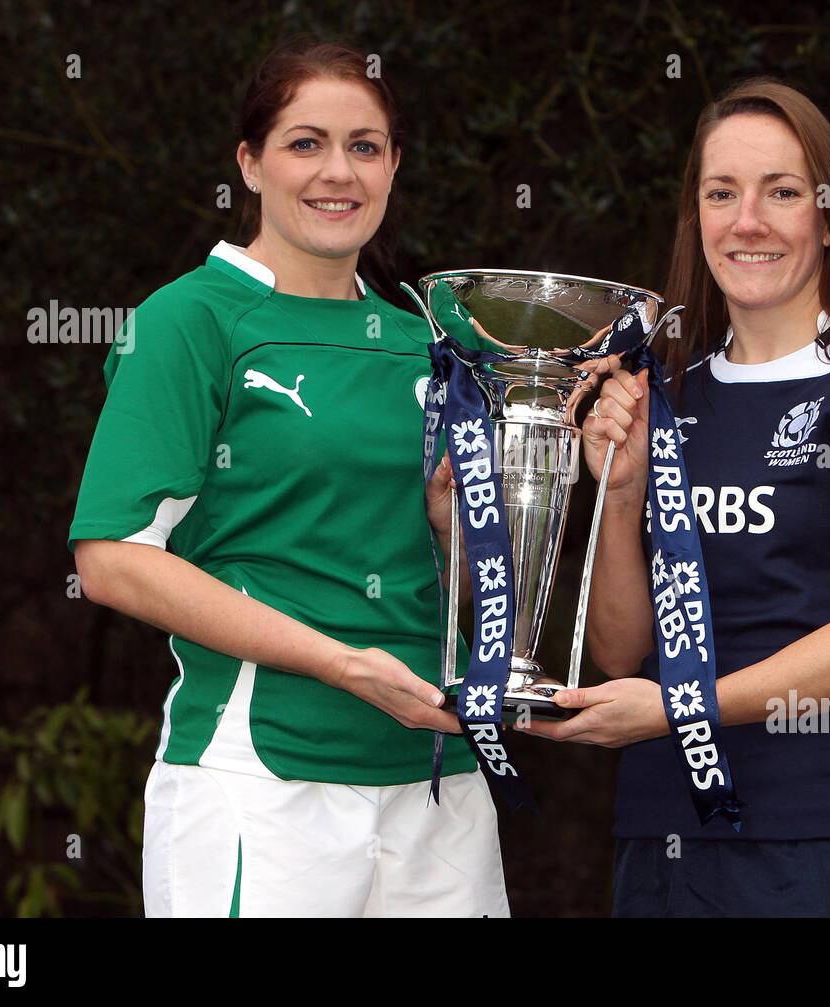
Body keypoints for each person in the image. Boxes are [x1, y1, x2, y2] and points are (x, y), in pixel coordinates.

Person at [68, 37, 507, 918]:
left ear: (393, 166)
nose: (337, 172)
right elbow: (110, 558)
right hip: (262, 784)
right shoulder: (191, 319)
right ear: (250, 163)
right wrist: (341, 664)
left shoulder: (431, 340)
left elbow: (459, 573)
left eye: (365, 146)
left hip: (442, 781)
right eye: (305, 143)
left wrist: (458, 526)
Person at [522, 78, 830, 916]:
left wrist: (680, 710)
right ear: (696, 219)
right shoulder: (662, 393)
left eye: (782, 192)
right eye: (722, 193)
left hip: (825, 843)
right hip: (661, 841)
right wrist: (619, 494)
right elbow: (624, 655)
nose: (749, 221)